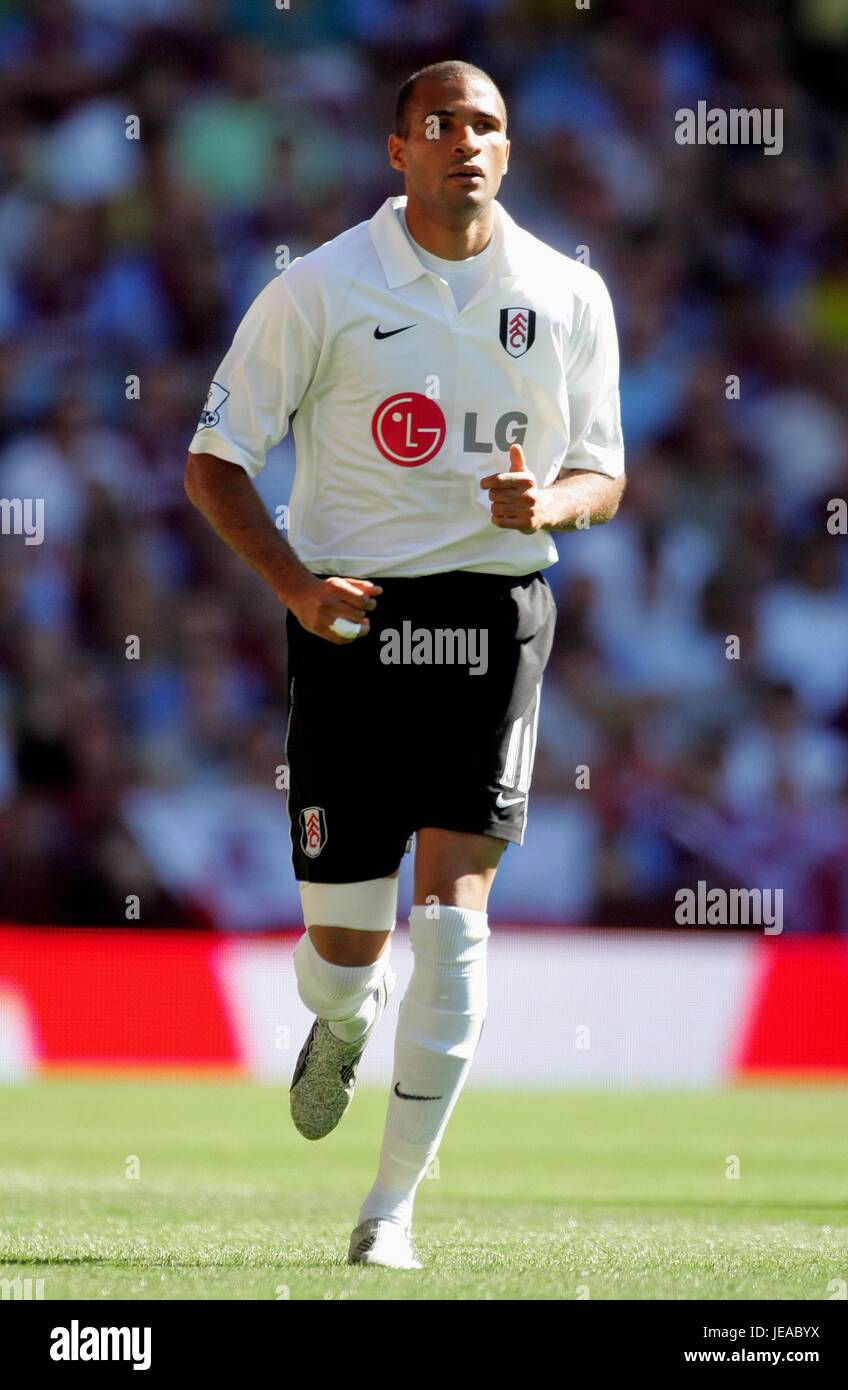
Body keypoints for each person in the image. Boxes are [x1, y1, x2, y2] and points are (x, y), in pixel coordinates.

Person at [184, 59, 625, 1270]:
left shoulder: (567, 292)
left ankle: (390, 1211)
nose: (463, 142)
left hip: (495, 618)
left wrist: (555, 502)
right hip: (349, 626)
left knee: (454, 924)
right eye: (439, 124)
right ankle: (337, 1015)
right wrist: (292, 586)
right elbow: (213, 460)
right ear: (397, 152)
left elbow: (605, 471)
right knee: (345, 951)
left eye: (484, 123)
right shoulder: (318, 290)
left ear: (508, 146)